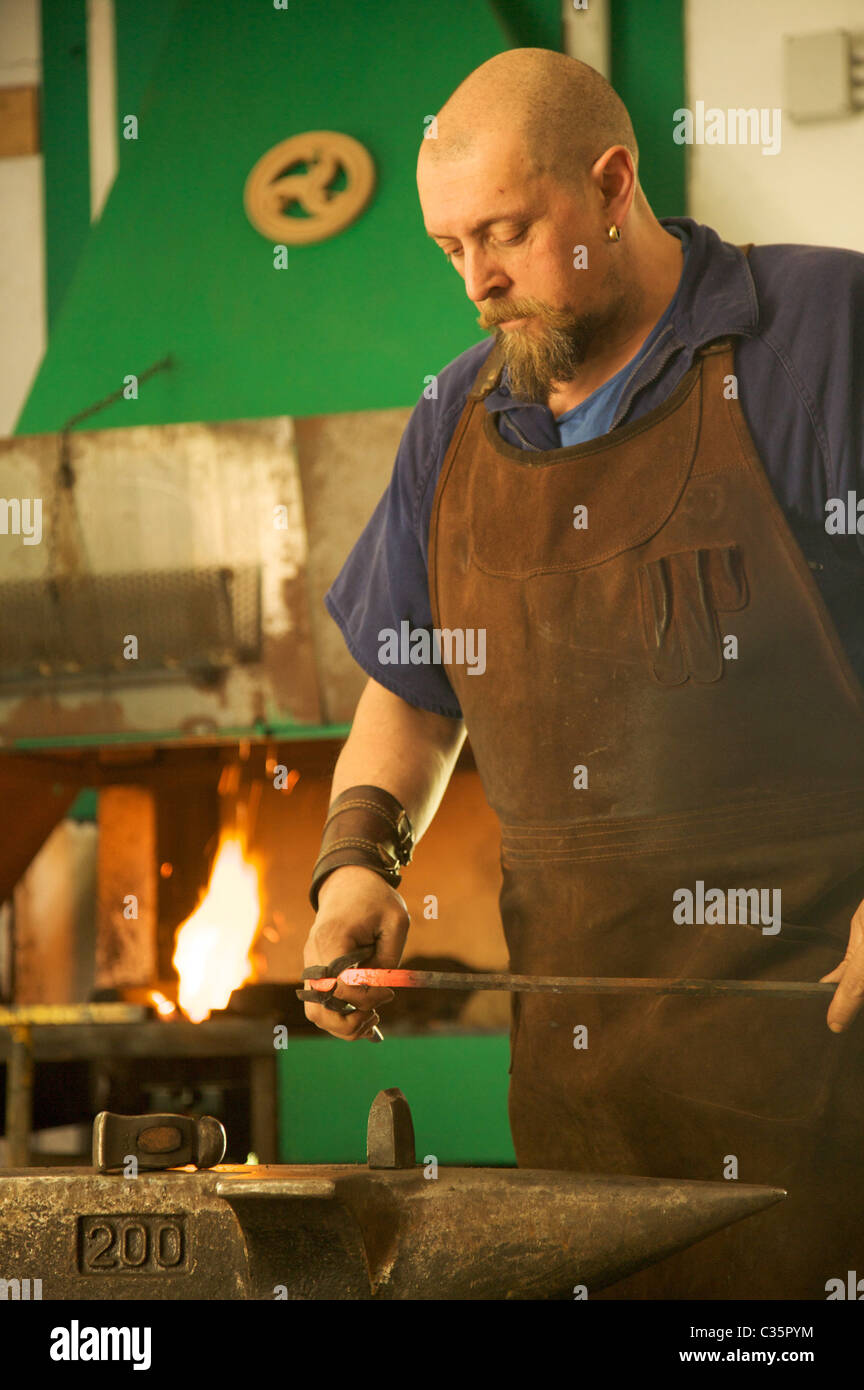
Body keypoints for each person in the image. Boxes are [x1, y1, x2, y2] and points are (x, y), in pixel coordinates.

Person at [301, 48, 864, 1299]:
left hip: (833, 1098)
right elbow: (411, 679)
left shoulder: (822, 337)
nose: (478, 281)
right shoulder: (454, 421)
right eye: (451, 246)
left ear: (613, 184)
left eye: (502, 232)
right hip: (583, 1128)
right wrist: (356, 860)